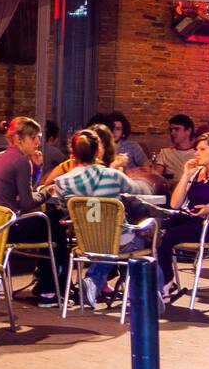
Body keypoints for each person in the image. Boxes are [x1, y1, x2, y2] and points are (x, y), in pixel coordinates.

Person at [45, 129, 146, 306]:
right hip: (119, 240)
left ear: (73, 153)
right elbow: (137, 190)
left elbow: (64, 208)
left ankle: (94, 283)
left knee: (107, 244)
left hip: (85, 241)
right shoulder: (112, 175)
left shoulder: (62, 182)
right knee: (141, 241)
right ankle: (148, 292)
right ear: (99, 150)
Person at [155, 132, 209, 304]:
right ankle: (157, 282)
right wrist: (186, 175)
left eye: (202, 149)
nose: (197, 153)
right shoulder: (196, 173)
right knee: (151, 231)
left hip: (207, 224)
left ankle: (166, 283)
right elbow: (175, 204)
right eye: (196, 149)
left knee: (167, 237)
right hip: (185, 218)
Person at [0, 117, 62, 305]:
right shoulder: (20, 161)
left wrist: (37, 168)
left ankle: (43, 283)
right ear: (19, 139)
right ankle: (49, 290)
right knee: (56, 225)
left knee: (49, 223)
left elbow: (24, 191)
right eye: (33, 137)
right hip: (10, 228)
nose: (37, 142)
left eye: (38, 137)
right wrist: (47, 192)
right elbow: (27, 202)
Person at [153, 114, 197, 183]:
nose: (172, 133)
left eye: (177, 129)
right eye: (171, 130)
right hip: (170, 191)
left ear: (188, 131)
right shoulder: (165, 153)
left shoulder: (198, 154)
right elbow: (156, 177)